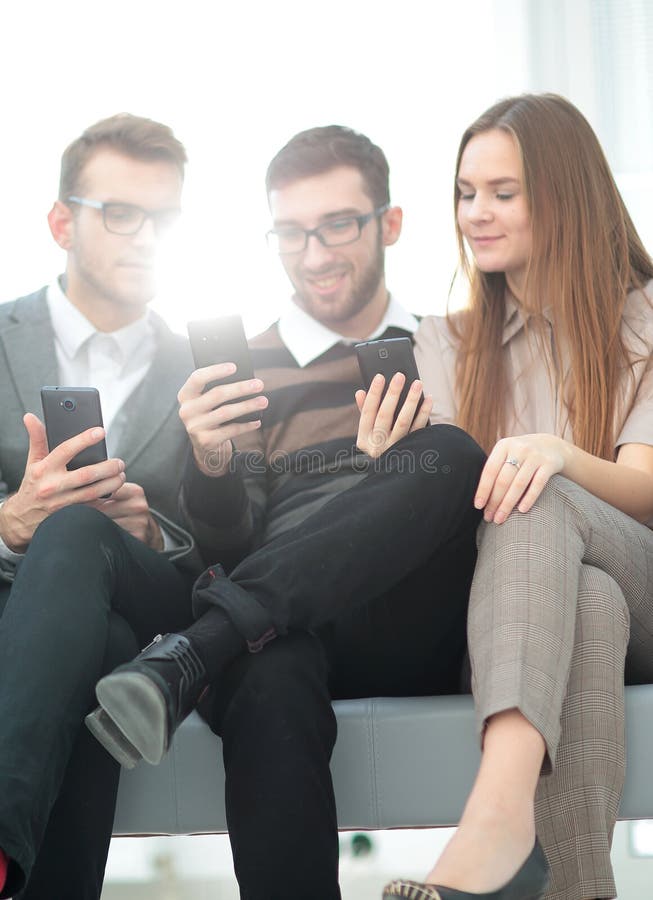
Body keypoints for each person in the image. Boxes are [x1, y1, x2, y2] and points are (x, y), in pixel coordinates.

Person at [89, 125, 487, 900]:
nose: (314, 254)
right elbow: (228, 539)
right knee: (270, 669)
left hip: (414, 608)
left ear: (390, 224)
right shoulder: (247, 365)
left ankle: (194, 648)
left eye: (337, 225)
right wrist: (210, 463)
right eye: (290, 233)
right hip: (283, 622)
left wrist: (392, 478)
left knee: (451, 450)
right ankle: (222, 637)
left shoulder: (458, 343)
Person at [360, 94, 653, 900]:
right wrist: (394, 473)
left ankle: (495, 817)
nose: (474, 214)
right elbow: (446, 537)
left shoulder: (644, 318)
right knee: (586, 600)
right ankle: (578, 887)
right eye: (464, 192)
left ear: (564, 194)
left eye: (502, 192)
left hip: (647, 583)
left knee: (537, 489)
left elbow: (645, 495)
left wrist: (556, 455)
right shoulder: (441, 344)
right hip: (520, 613)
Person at [0, 113, 201, 899]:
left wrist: (153, 531)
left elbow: (242, 529)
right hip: (44, 611)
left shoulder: (202, 363)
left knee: (89, 539)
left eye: (166, 217)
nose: (146, 236)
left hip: (153, 597)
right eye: (121, 213)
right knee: (98, 640)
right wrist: (10, 523)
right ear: (61, 222)